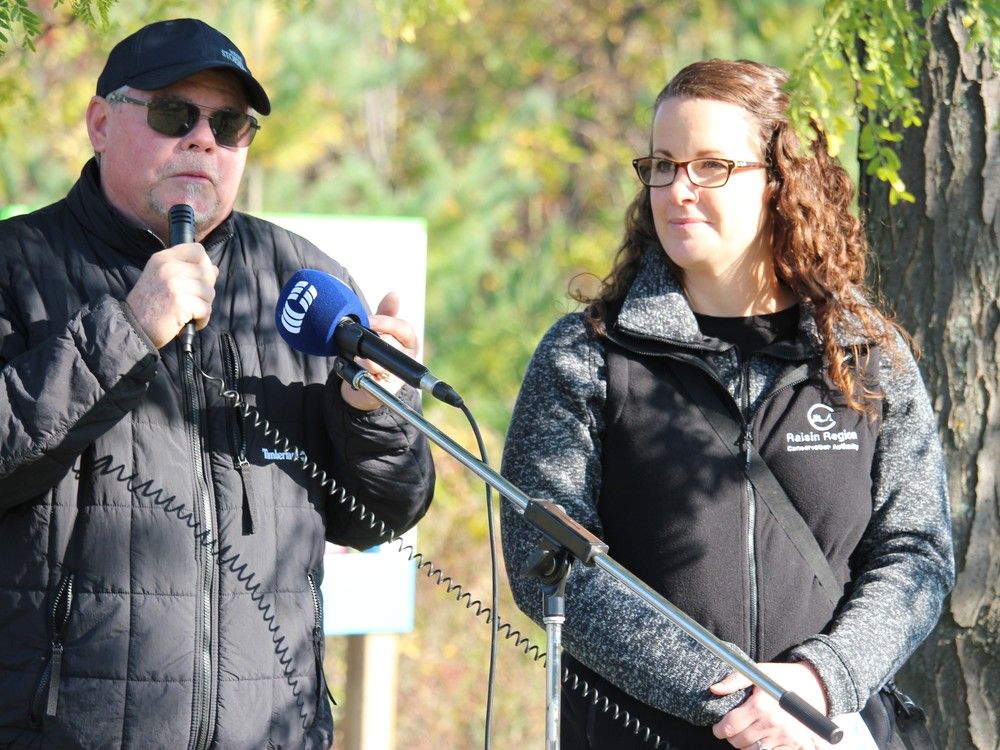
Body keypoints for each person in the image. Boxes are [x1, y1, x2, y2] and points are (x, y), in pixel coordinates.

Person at [0, 18, 434, 749]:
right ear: (101, 123)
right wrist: (130, 329)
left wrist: (371, 414)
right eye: (175, 114)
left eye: (229, 124)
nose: (204, 139)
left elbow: (377, 518)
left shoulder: (303, 281)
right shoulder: (17, 264)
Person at [500, 59, 954, 750]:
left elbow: (916, 550)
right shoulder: (586, 355)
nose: (678, 190)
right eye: (662, 164)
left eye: (711, 166)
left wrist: (820, 682)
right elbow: (549, 566)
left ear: (780, 180)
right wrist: (740, 700)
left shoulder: (866, 353)